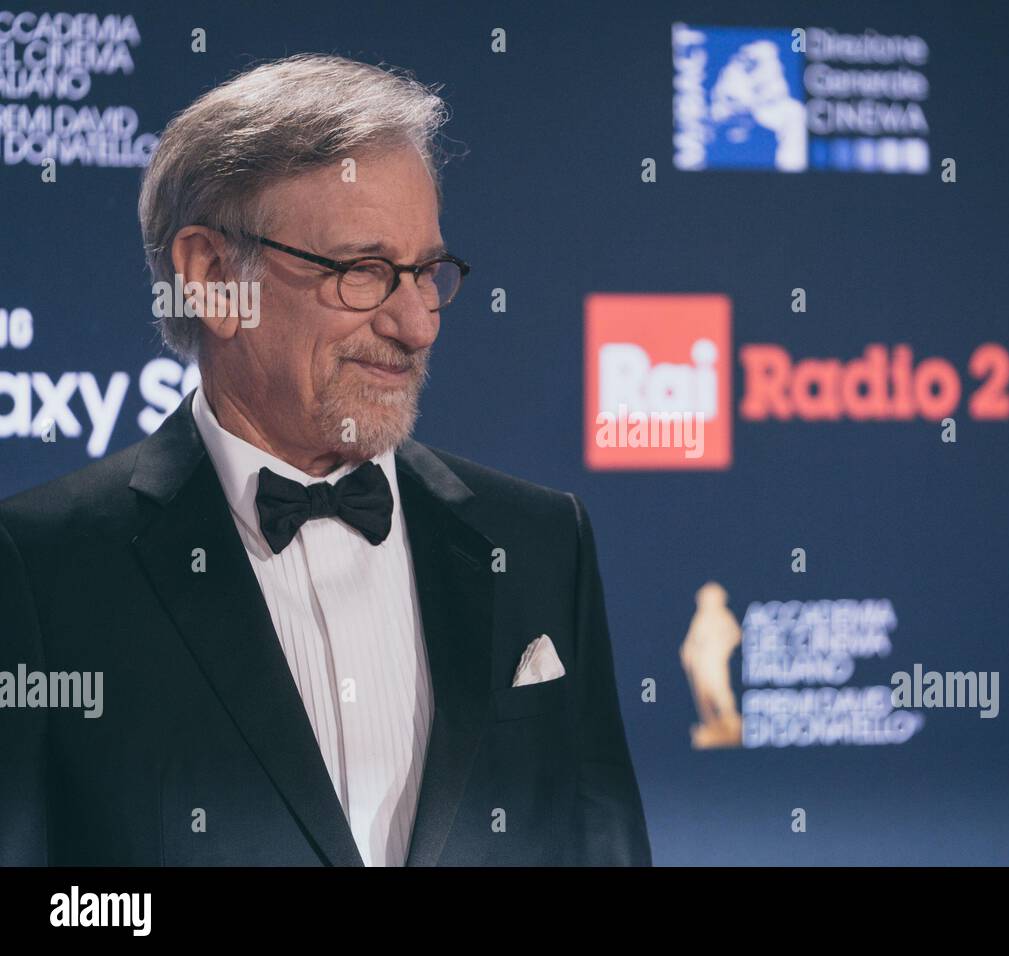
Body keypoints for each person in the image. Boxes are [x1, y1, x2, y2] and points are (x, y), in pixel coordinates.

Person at [0, 54, 651, 867]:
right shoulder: (38, 570)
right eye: (365, 272)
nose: (418, 325)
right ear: (208, 277)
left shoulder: (541, 543)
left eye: (425, 274)